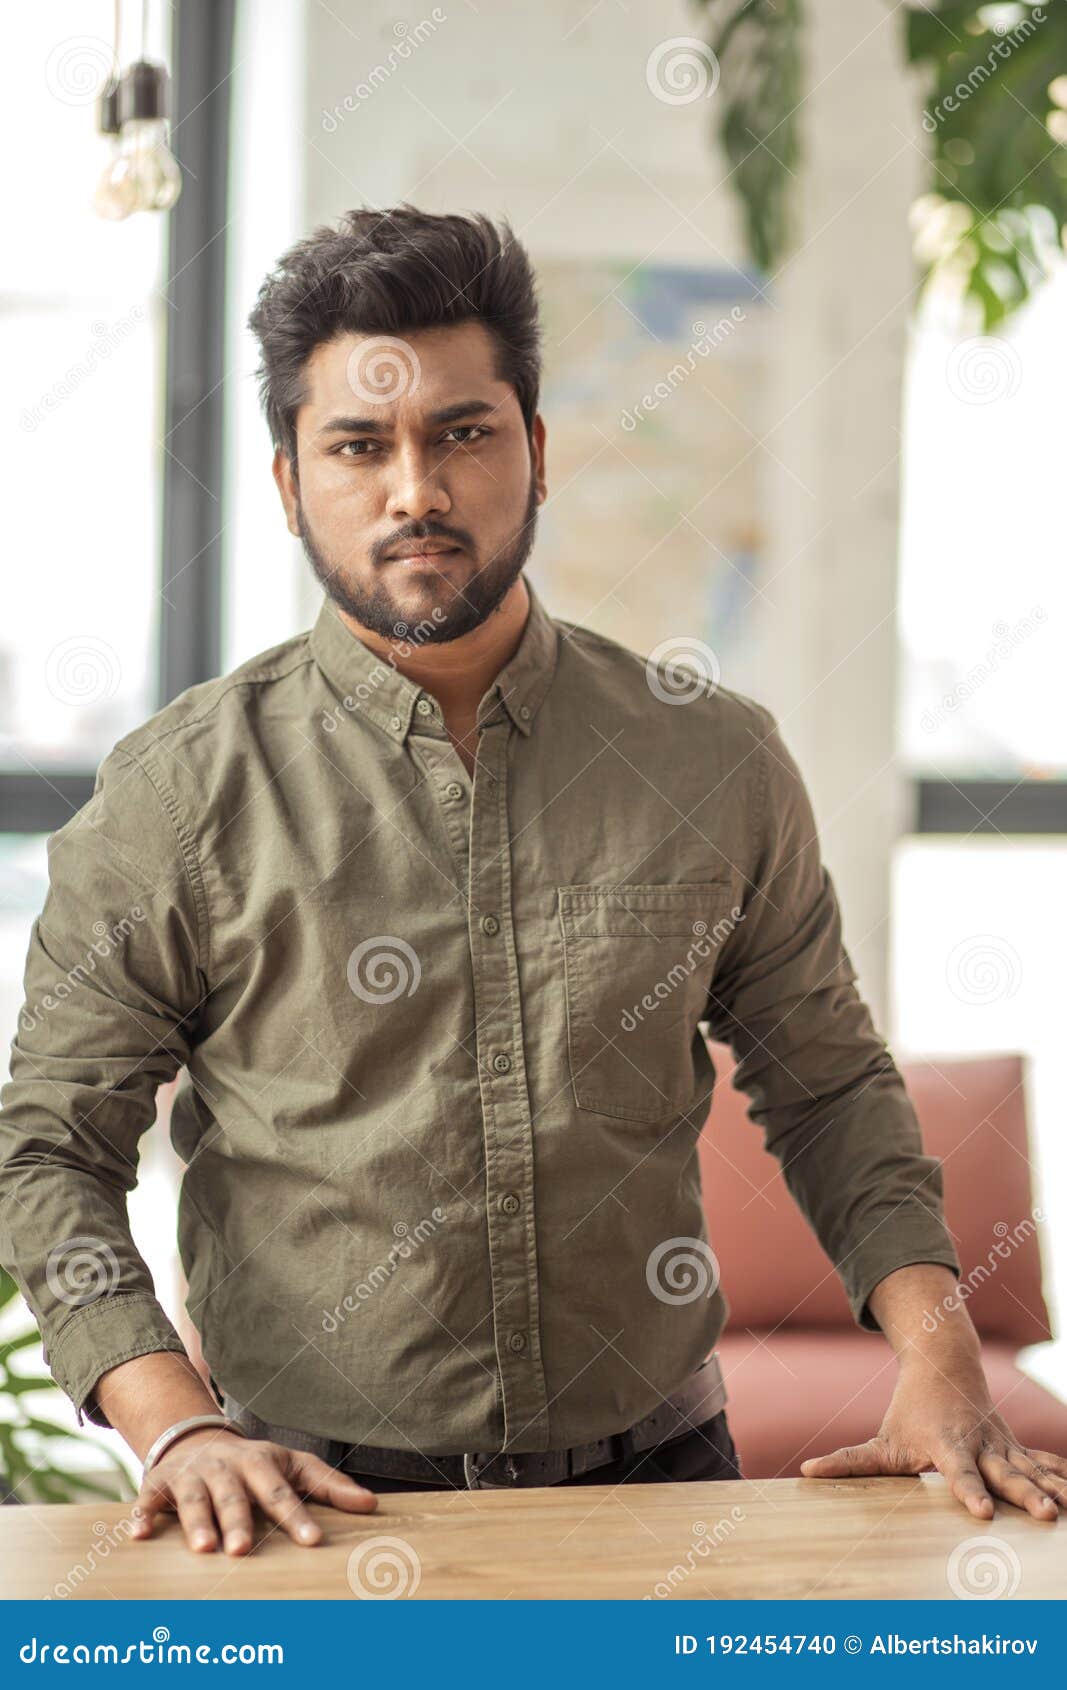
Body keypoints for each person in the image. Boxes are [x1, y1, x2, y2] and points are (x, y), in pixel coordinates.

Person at [1, 207, 1063, 1559]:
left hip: (667, 1486)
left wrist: (941, 1347)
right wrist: (176, 1421)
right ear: (286, 485)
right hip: (311, 1509)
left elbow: (829, 1080)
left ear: (538, 452)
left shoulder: (713, 758)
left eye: (462, 432)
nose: (415, 491)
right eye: (358, 445)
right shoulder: (177, 795)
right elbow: (46, 1148)